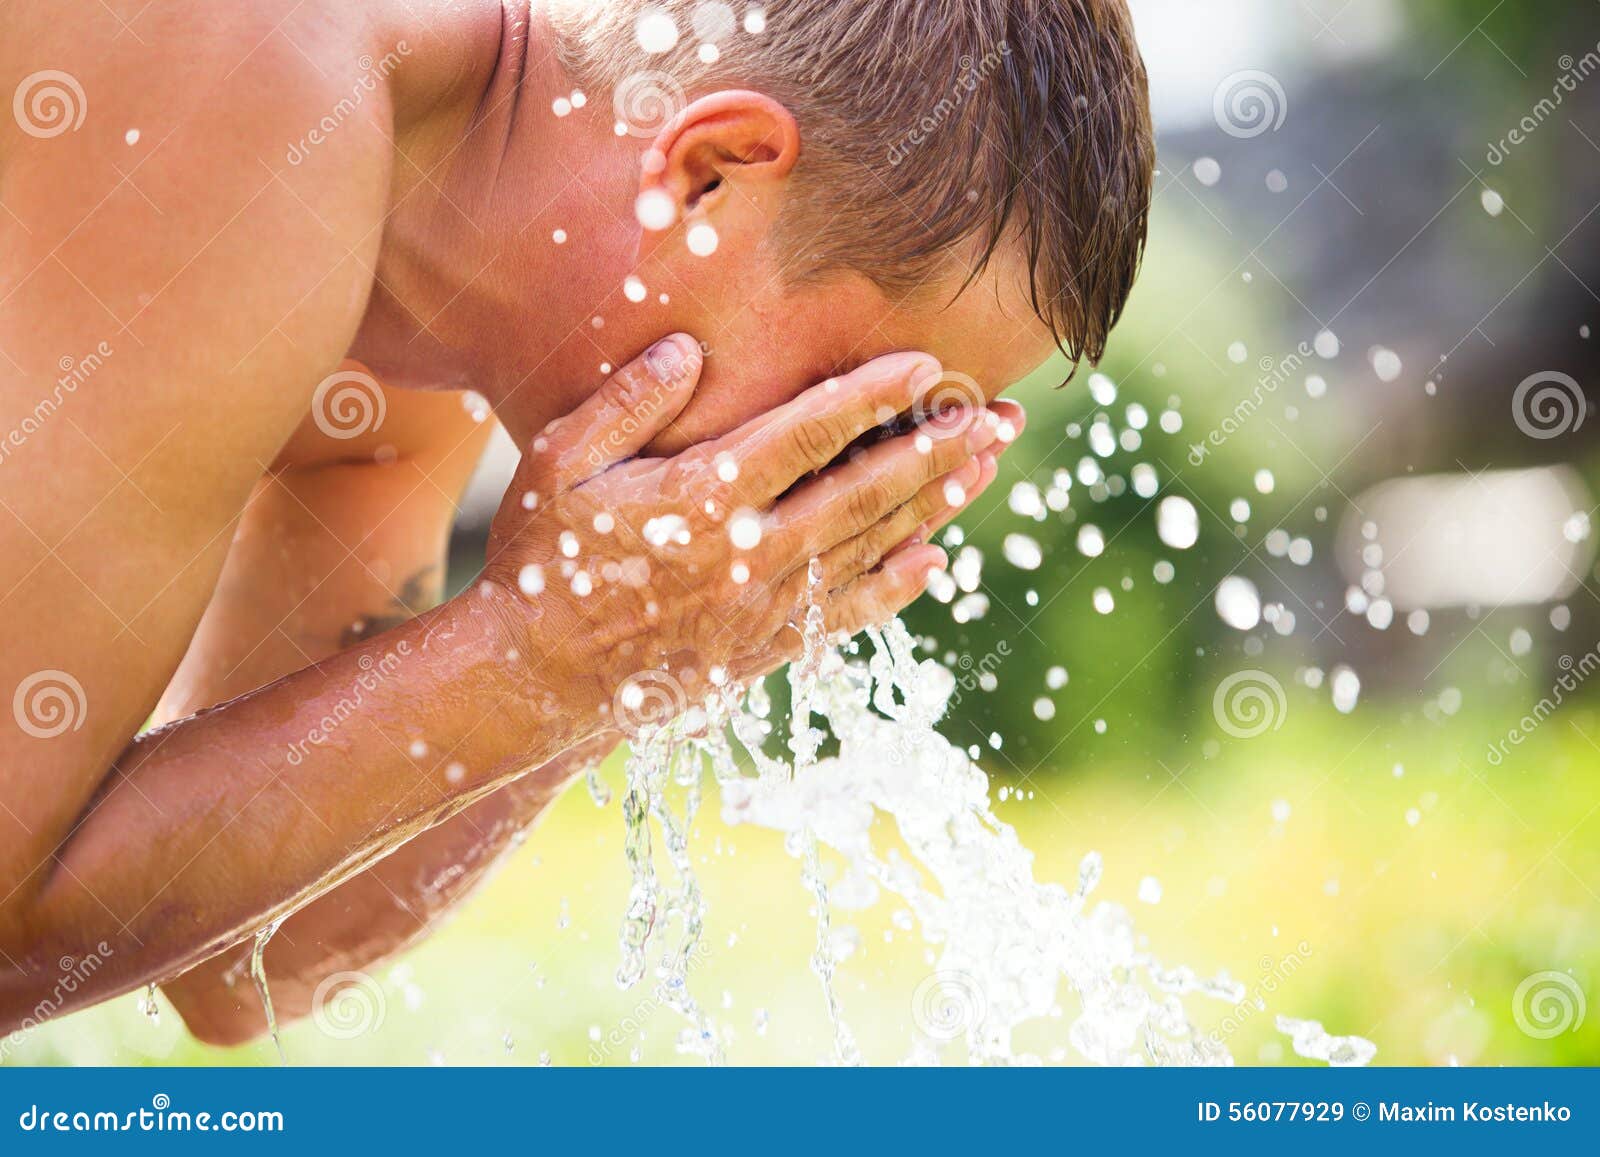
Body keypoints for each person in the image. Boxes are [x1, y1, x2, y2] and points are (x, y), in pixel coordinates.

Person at [0, 0, 1152, 1043]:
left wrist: (627, 655)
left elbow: (245, 962)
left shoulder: (420, 308)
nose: (847, 471)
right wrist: (540, 651)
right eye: (855, 405)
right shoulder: (265, 70)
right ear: (709, 174)